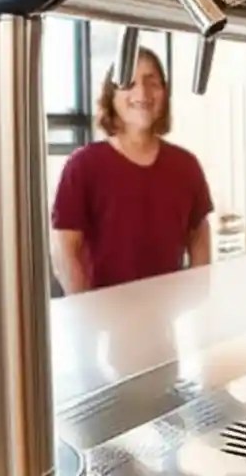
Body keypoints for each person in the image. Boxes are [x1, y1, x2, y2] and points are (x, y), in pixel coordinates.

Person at [50, 46, 213, 294]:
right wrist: (84, 308)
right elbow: (65, 248)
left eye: (152, 82)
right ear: (111, 96)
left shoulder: (186, 165)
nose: (142, 92)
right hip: (103, 318)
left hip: (165, 315)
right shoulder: (83, 166)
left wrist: (198, 289)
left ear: (164, 93)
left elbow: (199, 231)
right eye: (129, 83)